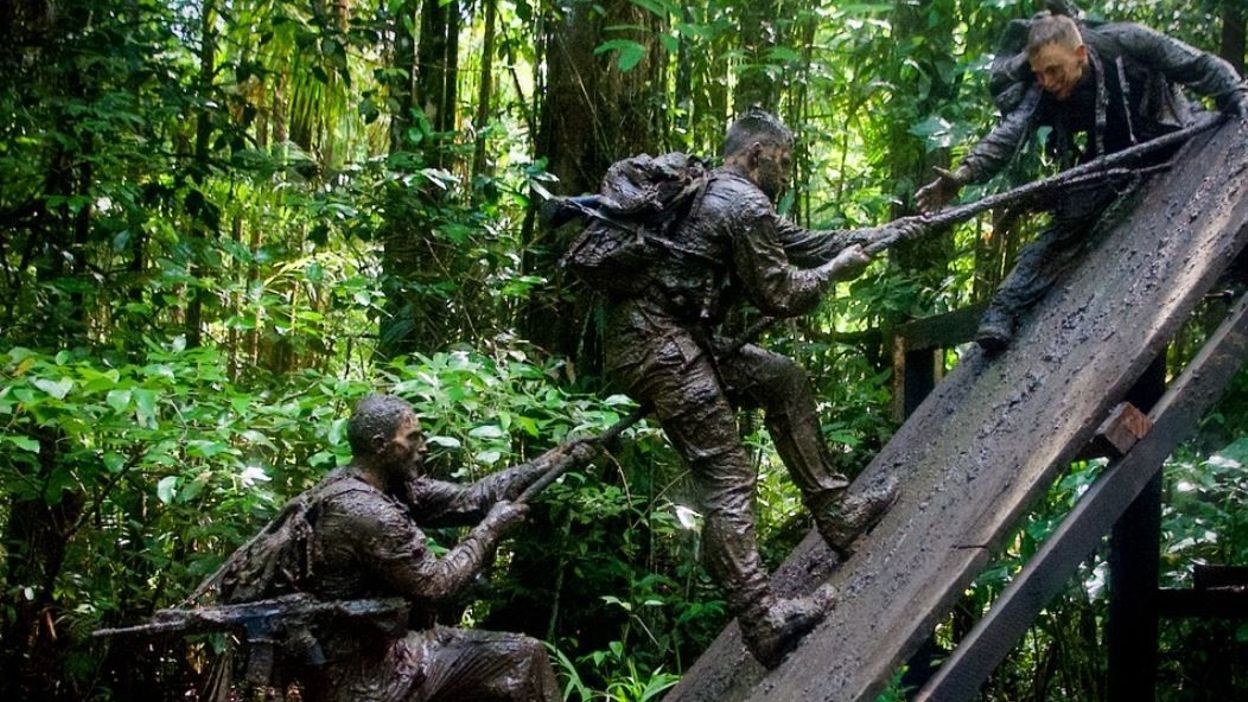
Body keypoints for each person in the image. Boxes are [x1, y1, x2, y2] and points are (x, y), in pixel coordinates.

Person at [602, 109, 915, 667]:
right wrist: (837, 271)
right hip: (664, 351)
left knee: (784, 380)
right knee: (727, 478)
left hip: (674, 342)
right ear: (755, 156)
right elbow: (782, 294)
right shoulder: (742, 202)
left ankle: (836, 512)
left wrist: (871, 237)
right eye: (785, 162)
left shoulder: (718, 192)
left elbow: (795, 242)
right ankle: (762, 617)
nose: (789, 175)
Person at [217, 394, 596, 702]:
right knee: (522, 658)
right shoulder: (364, 511)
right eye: (412, 438)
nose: (423, 447)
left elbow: (470, 498)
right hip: (370, 674)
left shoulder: (385, 486)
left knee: (517, 654)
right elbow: (435, 585)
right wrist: (492, 529)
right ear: (382, 446)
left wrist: (551, 461)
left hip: (391, 649)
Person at [916, 8, 1248, 350]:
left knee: (1220, 170)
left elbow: (1197, 65)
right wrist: (962, 175)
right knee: (1068, 222)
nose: (1047, 81)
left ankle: (1239, 268)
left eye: (1054, 71)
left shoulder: (1130, 40)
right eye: (1039, 74)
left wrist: (1237, 97)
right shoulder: (1042, 87)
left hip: (1172, 130)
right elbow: (1009, 134)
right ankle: (1004, 309)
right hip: (1108, 157)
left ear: (1080, 54)